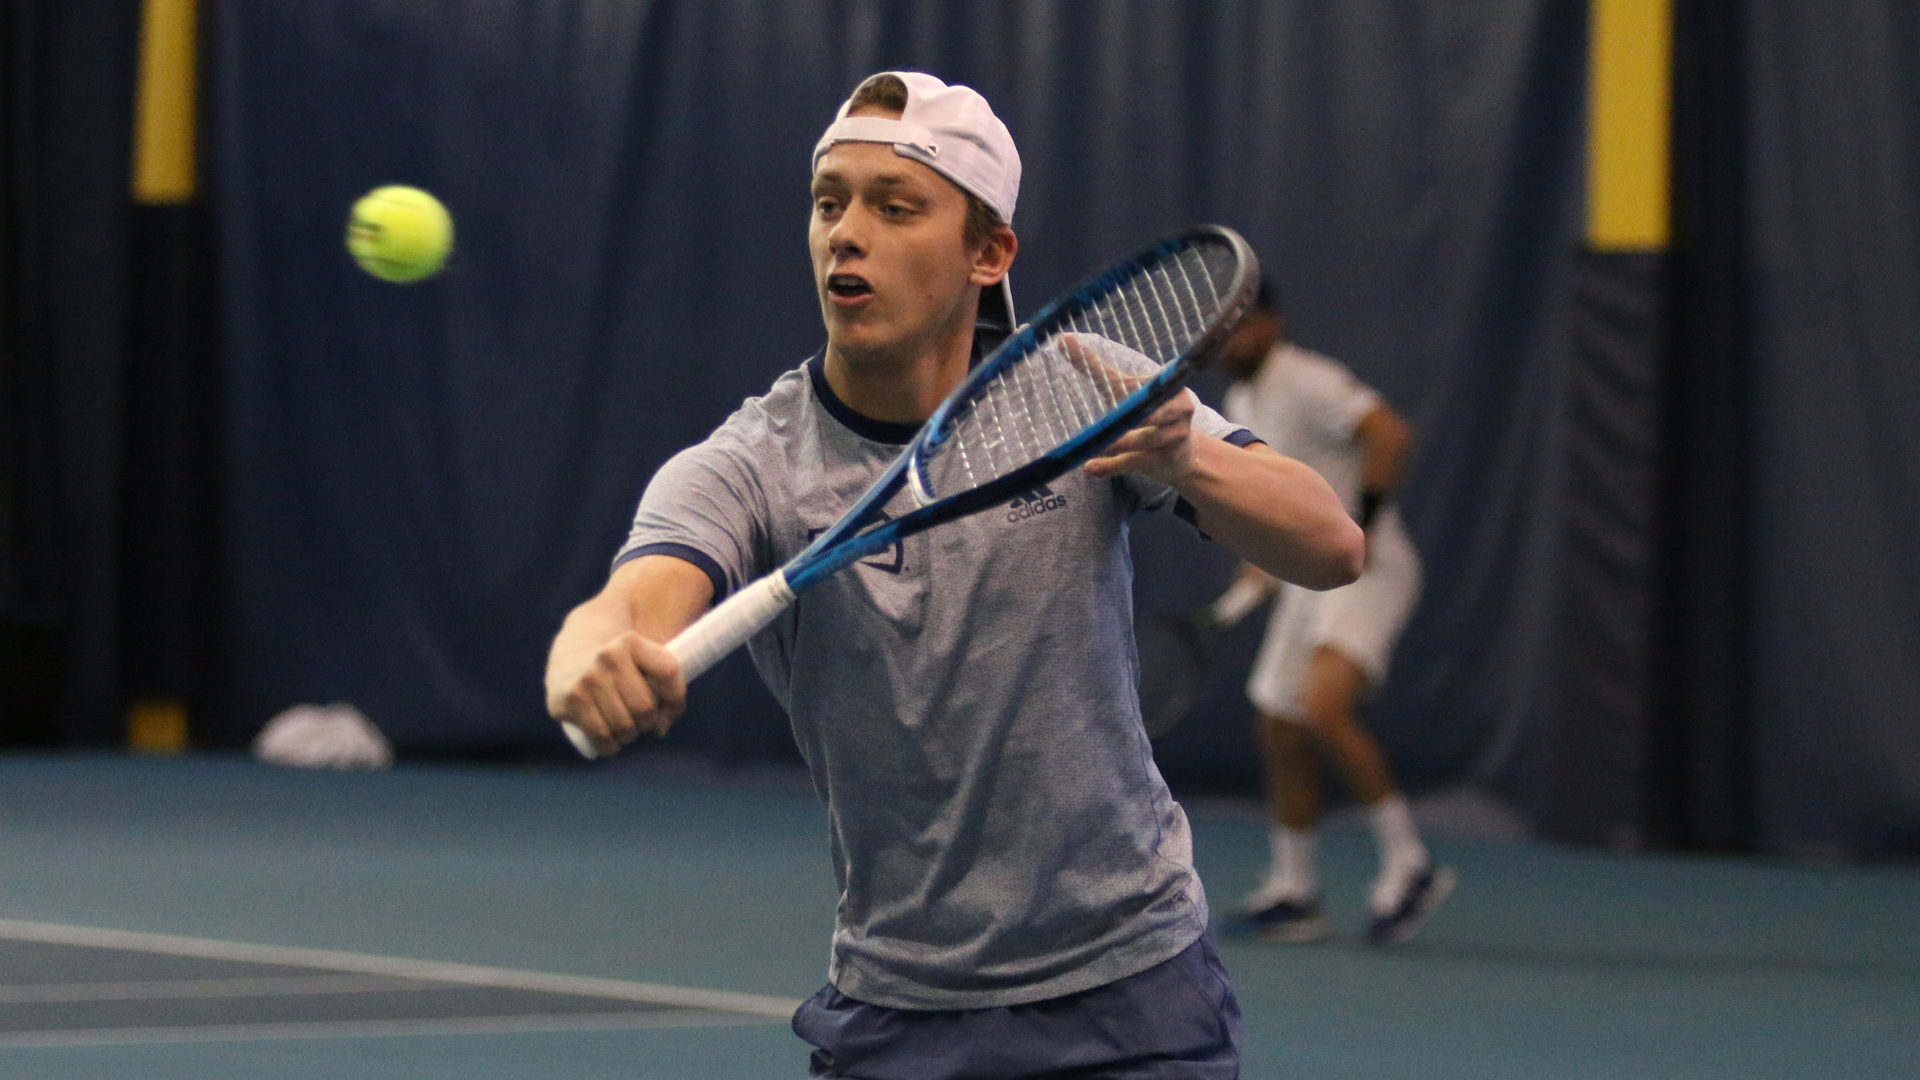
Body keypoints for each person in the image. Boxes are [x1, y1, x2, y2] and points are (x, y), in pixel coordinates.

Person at [545, 72, 1363, 1079]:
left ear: (989, 252)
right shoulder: (751, 463)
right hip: (898, 1010)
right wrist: (594, 658)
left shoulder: (1086, 390)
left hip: (1133, 997)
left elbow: (1331, 545)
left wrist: (1186, 457)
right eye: (829, 201)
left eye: (897, 208)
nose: (848, 233)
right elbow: (634, 600)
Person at [1214, 279, 1454, 946]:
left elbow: (1389, 435)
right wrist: (1261, 562)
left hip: (1368, 569)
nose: (1223, 340)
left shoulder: (1308, 379)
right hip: (1309, 576)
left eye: (1236, 326)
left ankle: (1410, 864)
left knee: (1323, 707)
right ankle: (1296, 891)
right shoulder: (1241, 399)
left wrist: (1364, 525)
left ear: (1268, 324)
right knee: (1279, 724)